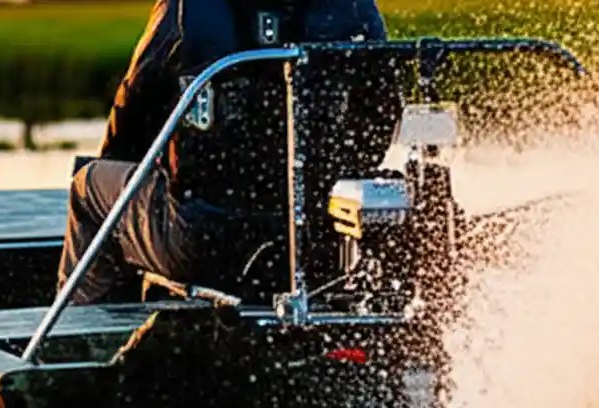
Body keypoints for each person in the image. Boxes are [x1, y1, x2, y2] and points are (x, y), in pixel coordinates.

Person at [58, 0, 399, 305]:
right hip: (319, 238)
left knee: (88, 187)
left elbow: (132, 111)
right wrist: (323, 182)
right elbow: (379, 121)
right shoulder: (356, 9)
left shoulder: (184, 10)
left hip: (202, 241)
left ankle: (84, 344)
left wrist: (129, 168)